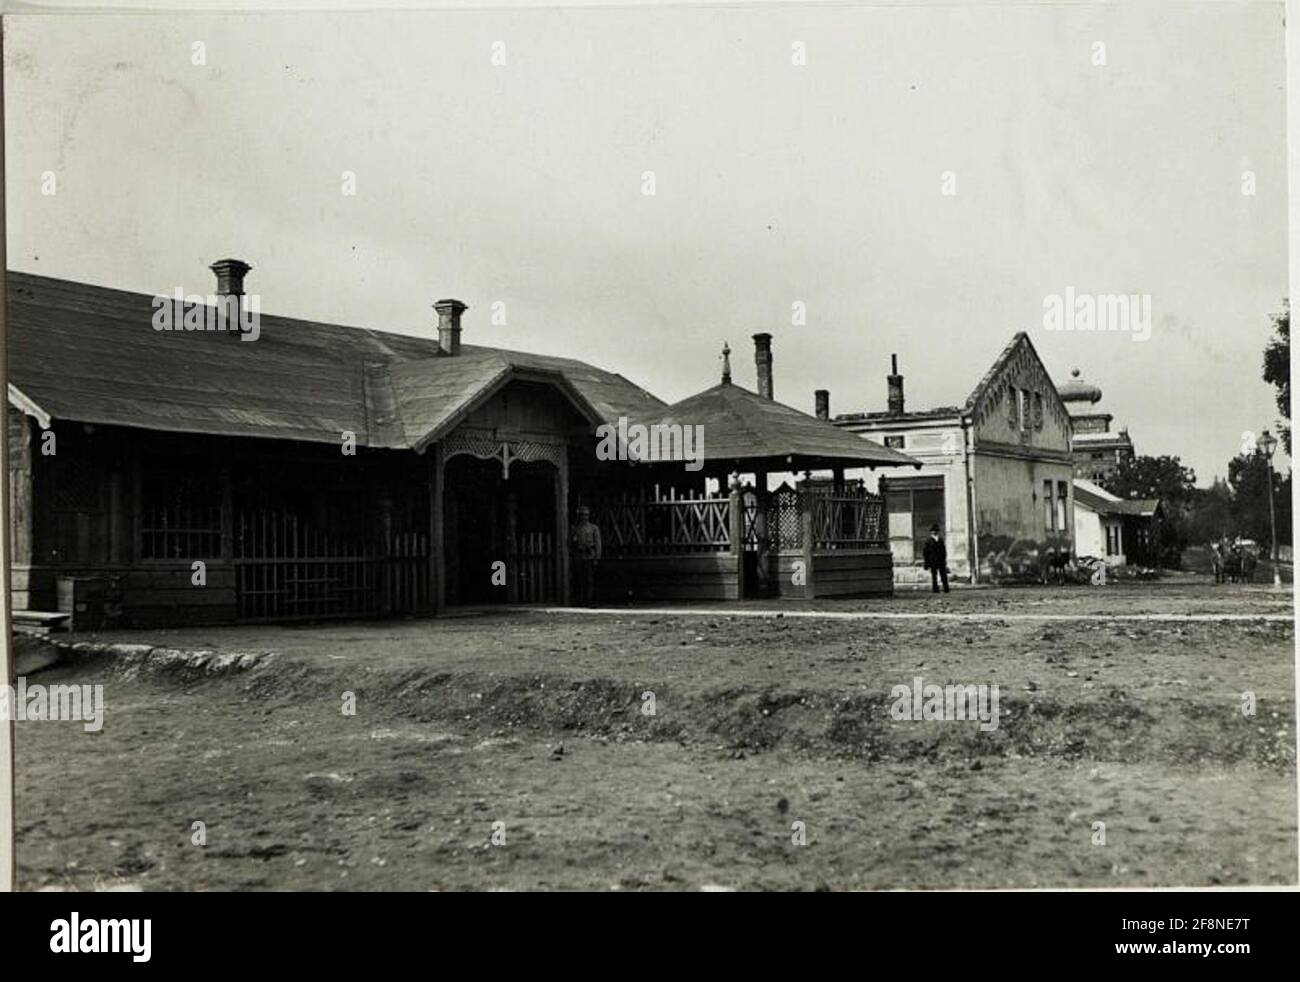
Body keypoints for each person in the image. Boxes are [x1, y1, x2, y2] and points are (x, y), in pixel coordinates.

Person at [571, 505, 602, 605]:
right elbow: (572, 542)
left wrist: (597, 557)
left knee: (590, 580)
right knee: (580, 580)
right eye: (583, 515)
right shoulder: (575, 528)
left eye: (586, 515)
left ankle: (590, 600)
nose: (584, 517)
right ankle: (581, 600)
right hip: (579, 556)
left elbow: (598, 543)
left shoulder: (593, 528)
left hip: (590, 556)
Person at [922, 524, 949, 593]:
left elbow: (943, 550)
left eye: (936, 531)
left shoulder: (940, 540)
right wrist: (926, 562)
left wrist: (944, 559)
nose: (934, 532)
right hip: (932, 560)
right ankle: (935, 589)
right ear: (931, 532)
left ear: (938, 531)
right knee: (934, 576)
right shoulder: (928, 541)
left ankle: (946, 588)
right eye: (933, 531)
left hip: (940, 560)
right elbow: (925, 552)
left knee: (943, 574)